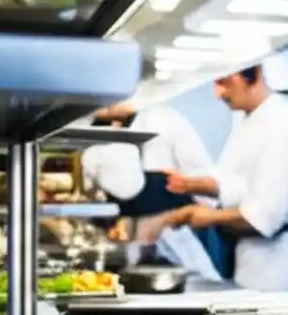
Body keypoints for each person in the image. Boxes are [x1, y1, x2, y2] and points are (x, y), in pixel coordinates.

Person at [163, 65, 288, 292]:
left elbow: (265, 216)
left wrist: (209, 217)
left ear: (255, 74)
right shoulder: (252, 119)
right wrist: (189, 184)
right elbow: (237, 184)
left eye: (224, 81)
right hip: (255, 260)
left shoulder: (281, 125)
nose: (218, 94)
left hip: (283, 265)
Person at [80, 101, 221, 280]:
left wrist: (166, 219)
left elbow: (209, 192)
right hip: (109, 253)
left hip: (172, 254)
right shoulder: (79, 125)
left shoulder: (164, 120)